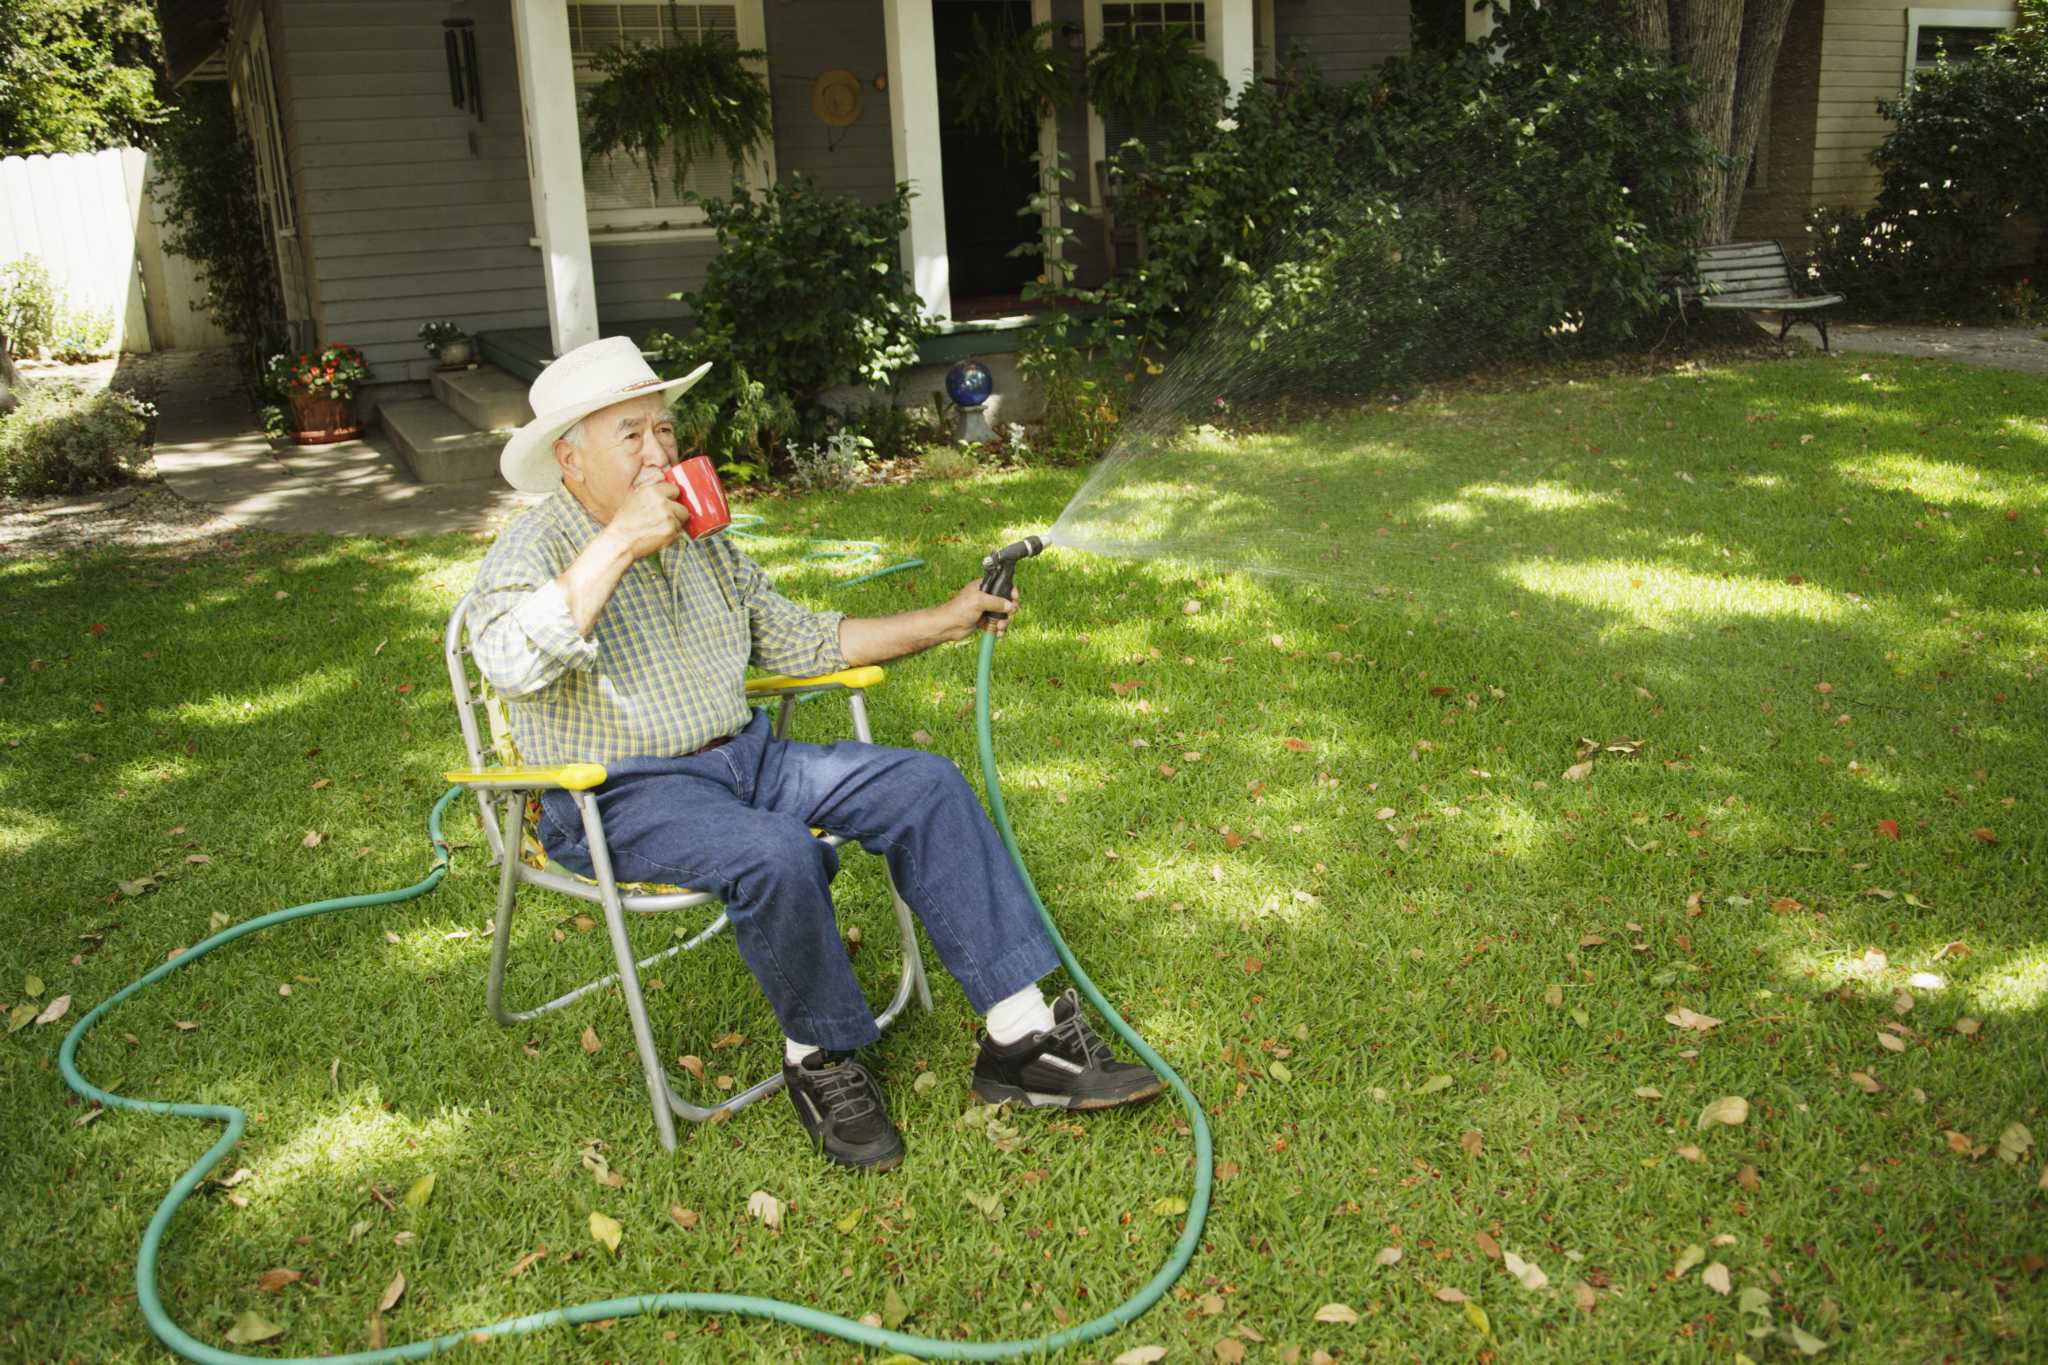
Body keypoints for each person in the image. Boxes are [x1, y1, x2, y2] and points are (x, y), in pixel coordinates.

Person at [468, 337, 1160, 1171]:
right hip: (613, 794)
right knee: (777, 852)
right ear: (570, 456)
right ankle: (820, 1059)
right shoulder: (533, 550)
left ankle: (1023, 1042)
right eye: (632, 437)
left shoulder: (700, 539)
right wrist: (616, 543)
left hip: (748, 762)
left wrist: (943, 619)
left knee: (925, 782)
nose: (660, 454)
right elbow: (507, 662)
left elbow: (797, 637)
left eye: (664, 429)